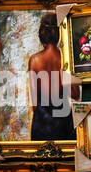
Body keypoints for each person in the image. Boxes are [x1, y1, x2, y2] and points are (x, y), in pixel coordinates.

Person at [27, 14, 77, 142]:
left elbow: (33, 101)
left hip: (42, 119)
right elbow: (75, 93)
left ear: (41, 33)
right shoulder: (66, 57)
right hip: (63, 117)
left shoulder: (34, 60)